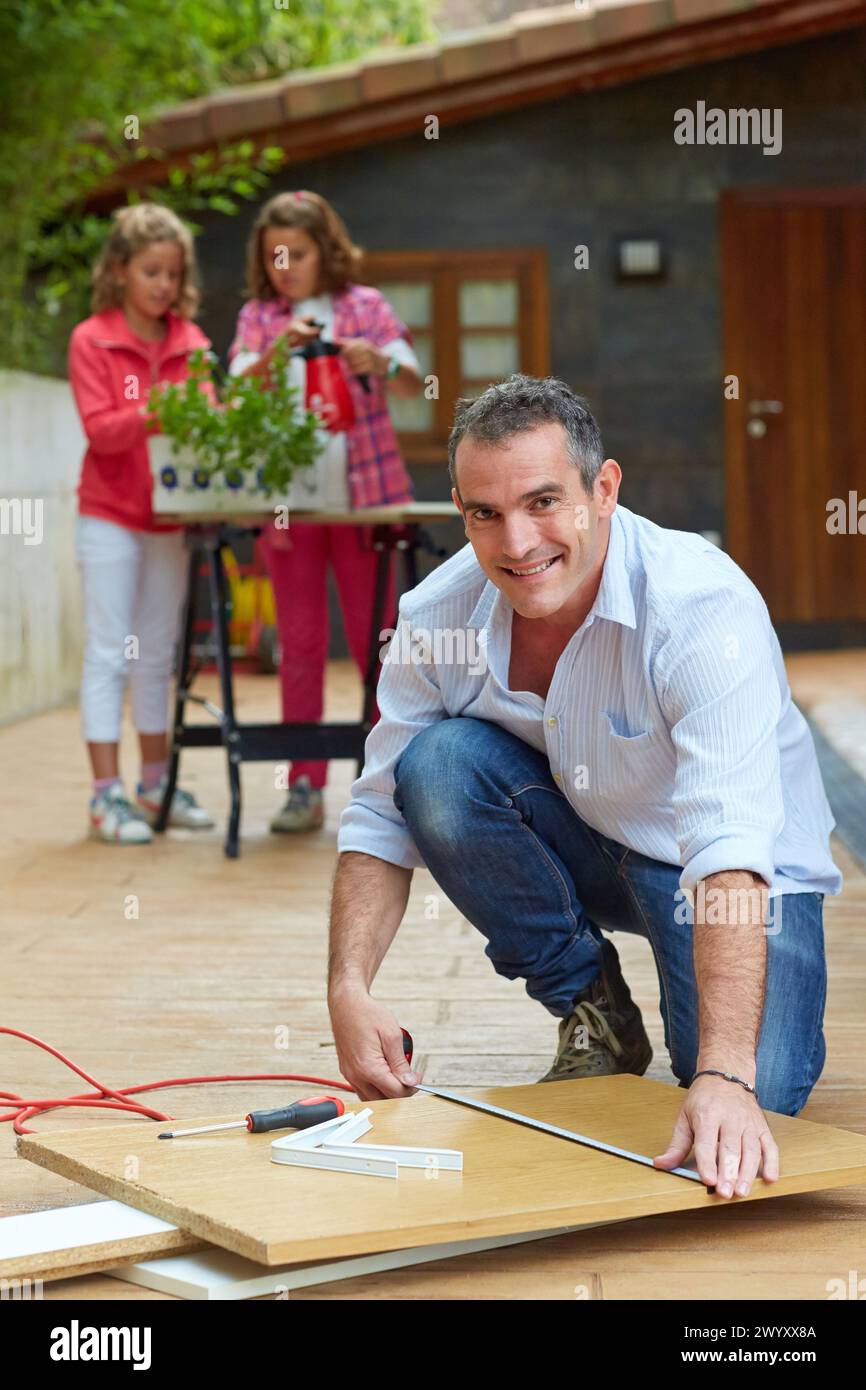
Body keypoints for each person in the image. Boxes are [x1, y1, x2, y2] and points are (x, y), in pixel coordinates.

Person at [328, 374, 843, 1201]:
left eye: (543, 502)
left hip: (726, 879)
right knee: (438, 767)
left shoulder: (699, 606)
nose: (517, 542)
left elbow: (729, 852)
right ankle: (593, 1007)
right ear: (459, 507)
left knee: (755, 1100)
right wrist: (348, 989)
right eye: (484, 514)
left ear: (603, 490)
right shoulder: (438, 616)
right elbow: (380, 814)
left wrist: (726, 1074)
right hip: (593, 840)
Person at [227, 190, 424, 833]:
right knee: (303, 640)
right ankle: (304, 787)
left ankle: (380, 783)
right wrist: (273, 353)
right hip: (289, 505)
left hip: (365, 503)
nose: (285, 265)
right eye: (274, 255)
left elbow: (413, 379)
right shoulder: (260, 317)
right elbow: (232, 389)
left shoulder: (365, 307)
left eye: (299, 253)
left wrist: (380, 358)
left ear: (327, 252)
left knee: (380, 640)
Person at [68, 203, 215, 844]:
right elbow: (102, 434)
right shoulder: (90, 338)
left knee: (154, 656)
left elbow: (210, 423)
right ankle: (106, 796)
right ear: (121, 269)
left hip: (170, 517)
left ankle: (155, 785)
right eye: (150, 270)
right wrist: (162, 407)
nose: (162, 284)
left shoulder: (193, 343)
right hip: (109, 515)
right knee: (109, 650)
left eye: (171, 272)